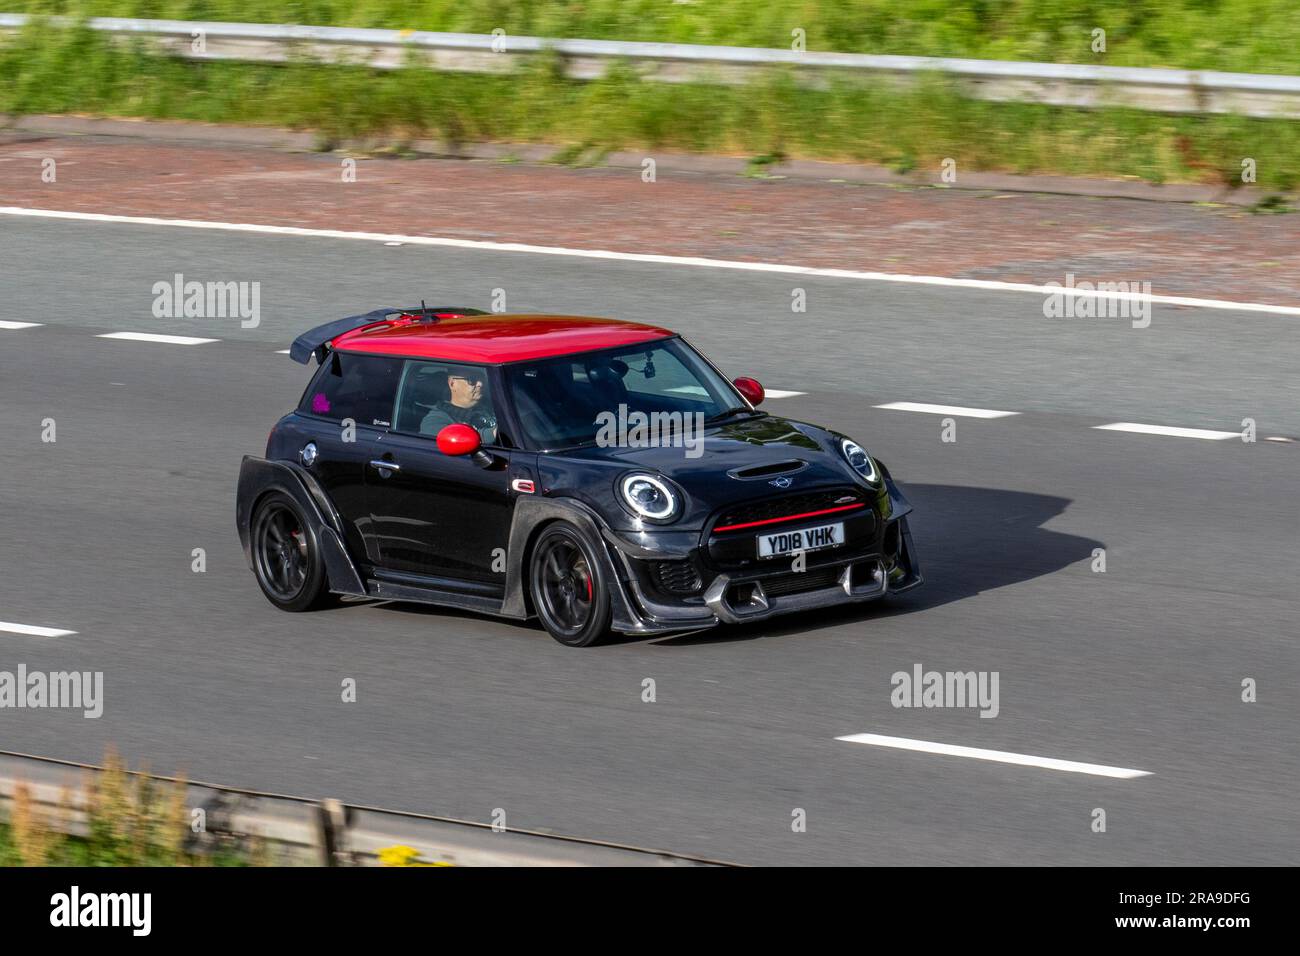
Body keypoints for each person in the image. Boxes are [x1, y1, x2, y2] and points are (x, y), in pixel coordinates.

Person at [419, 365, 497, 444]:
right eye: (471, 380)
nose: (480, 384)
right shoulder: (434, 421)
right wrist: (492, 434)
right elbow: (462, 443)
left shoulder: (491, 404)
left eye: (482, 378)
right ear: (452, 383)